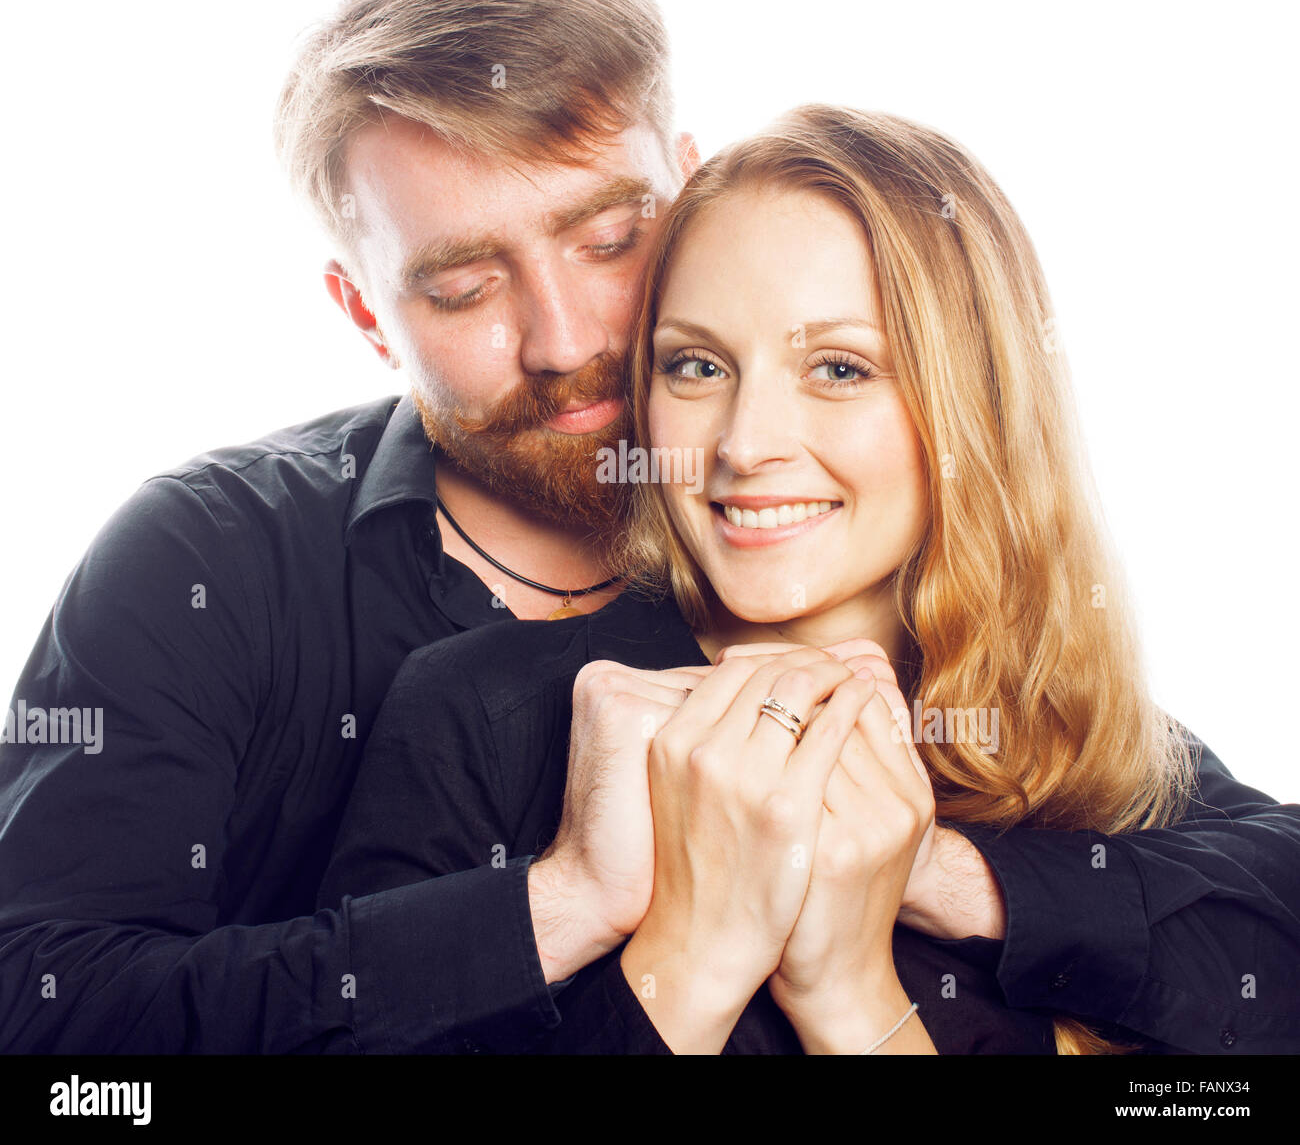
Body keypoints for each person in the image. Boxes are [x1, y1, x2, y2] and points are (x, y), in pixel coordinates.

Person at [0, 0, 1296, 1055]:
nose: (566, 338)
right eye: (462, 285)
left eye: (611, 241)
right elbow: (42, 1011)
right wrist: (570, 903)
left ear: (686, 190)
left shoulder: (868, 590)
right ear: (362, 308)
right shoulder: (219, 565)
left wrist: (926, 877)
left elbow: (1244, 901)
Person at [317, 105, 1299, 1054]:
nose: (745, 446)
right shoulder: (482, 714)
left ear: (971, 404)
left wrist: (929, 891)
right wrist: (688, 960)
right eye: (696, 366)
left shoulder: (1082, 737)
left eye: (837, 369)